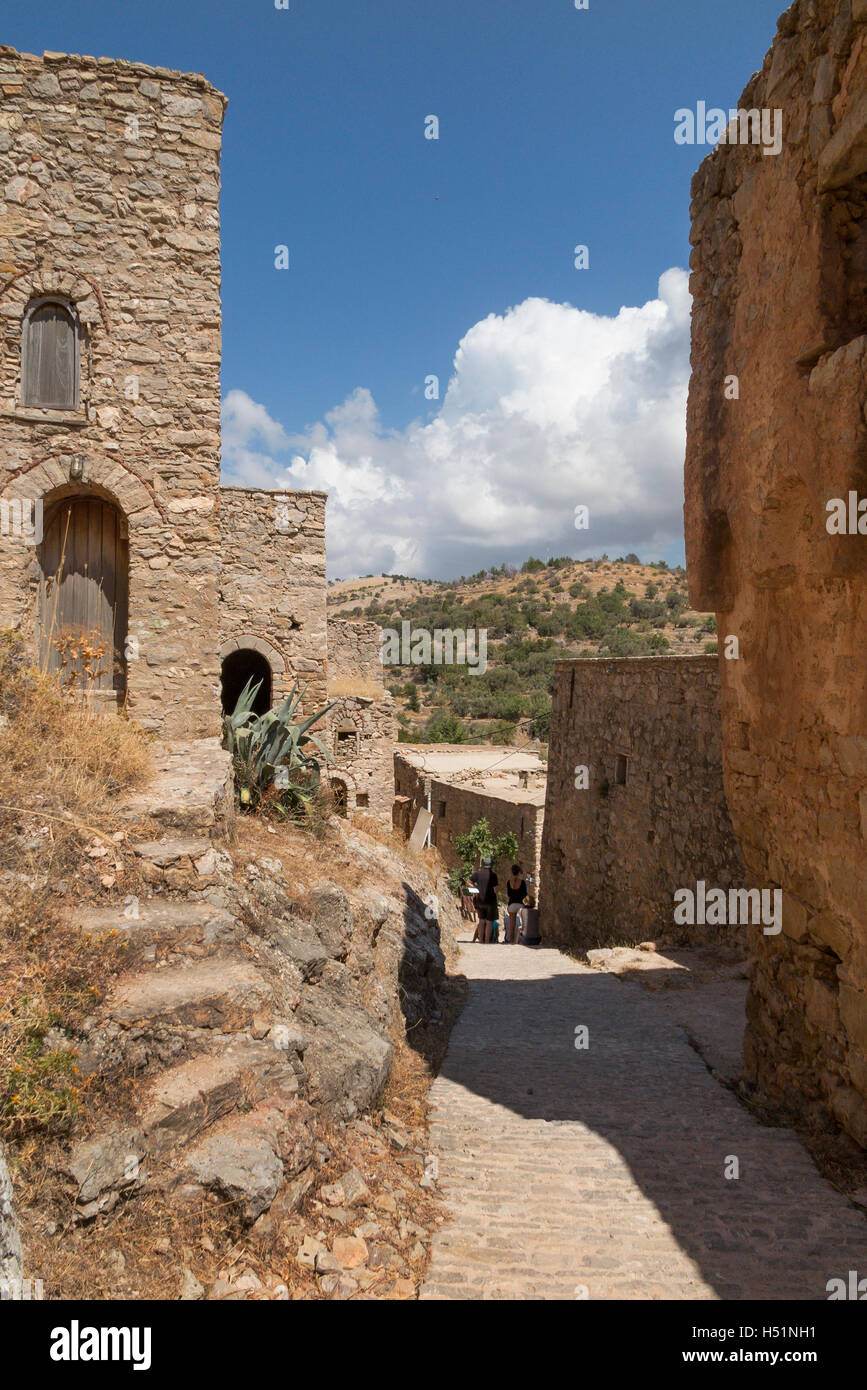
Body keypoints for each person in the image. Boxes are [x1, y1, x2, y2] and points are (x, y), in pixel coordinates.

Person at [470, 856, 498, 943]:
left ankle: (481, 940)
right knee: (489, 922)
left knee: (481, 921)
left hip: (480, 900)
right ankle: (486, 941)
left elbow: (468, 881)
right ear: (491, 866)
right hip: (490, 901)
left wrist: (475, 888)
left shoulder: (478, 873)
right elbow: (496, 890)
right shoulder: (493, 875)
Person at [504, 864, 528, 943]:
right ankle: (520, 940)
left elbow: (509, 894)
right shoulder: (523, 882)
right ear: (519, 872)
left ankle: (511, 941)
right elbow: (525, 894)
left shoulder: (508, 882)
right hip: (520, 904)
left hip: (511, 904)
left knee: (512, 925)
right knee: (523, 923)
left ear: (512, 872)